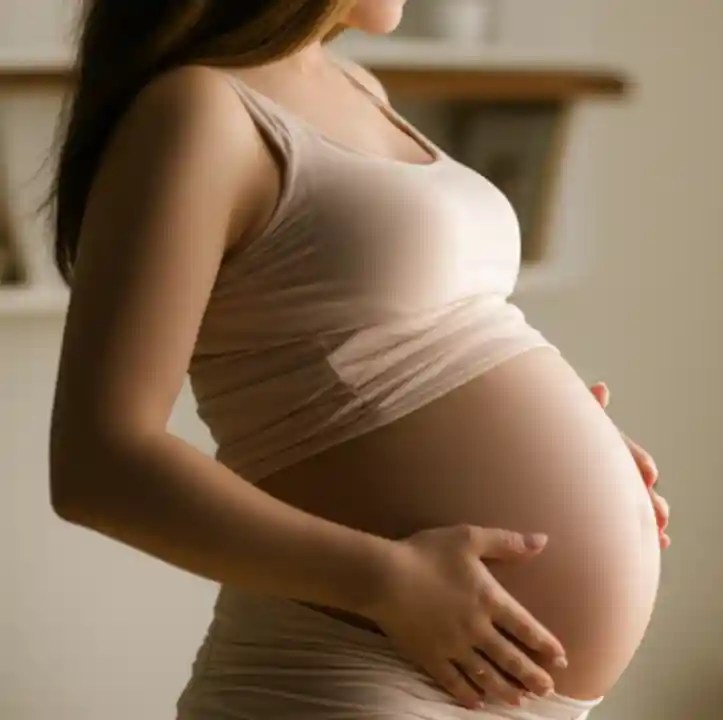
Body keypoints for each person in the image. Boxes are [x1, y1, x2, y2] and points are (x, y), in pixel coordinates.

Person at [46, 2, 670, 718]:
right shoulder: (197, 110)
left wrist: (590, 460)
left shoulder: (357, 88)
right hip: (342, 679)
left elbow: (405, 343)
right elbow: (100, 464)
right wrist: (386, 579)